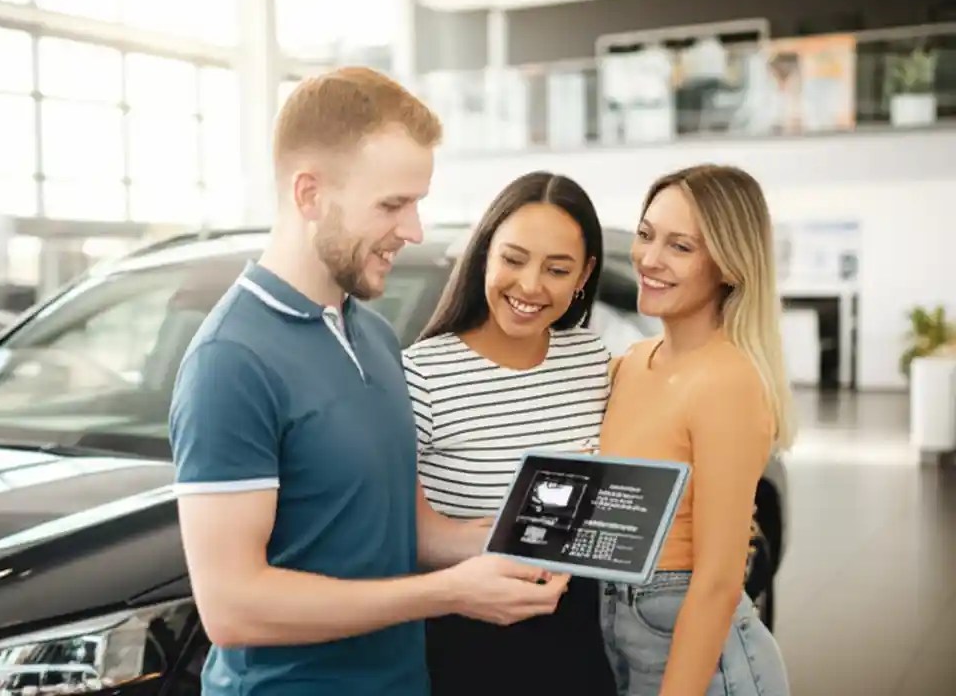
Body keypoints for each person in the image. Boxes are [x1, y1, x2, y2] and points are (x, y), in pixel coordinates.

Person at [167, 66, 570, 696]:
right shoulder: (230, 361)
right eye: (392, 204)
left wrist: (561, 533)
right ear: (309, 195)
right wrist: (447, 596)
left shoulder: (375, 336)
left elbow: (411, 533)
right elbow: (232, 607)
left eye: (417, 203)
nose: (413, 230)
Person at [403, 171, 618, 696]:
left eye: (557, 269)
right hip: (466, 645)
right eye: (513, 259)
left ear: (585, 274)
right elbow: (401, 535)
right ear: (485, 255)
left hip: (580, 640)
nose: (529, 286)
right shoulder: (420, 374)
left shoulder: (593, 362)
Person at [599, 164, 793, 696]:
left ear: (728, 265)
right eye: (645, 235)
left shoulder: (728, 380)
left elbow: (718, 581)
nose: (649, 259)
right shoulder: (632, 363)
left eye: (680, 246)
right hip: (623, 627)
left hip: (704, 662)